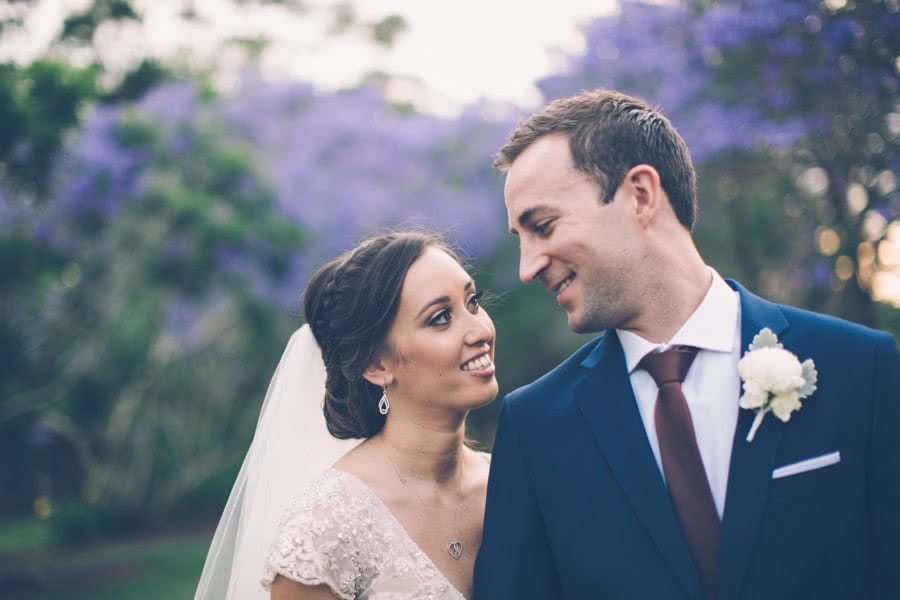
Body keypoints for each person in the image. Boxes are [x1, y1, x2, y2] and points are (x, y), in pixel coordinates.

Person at [473, 90, 900, 599]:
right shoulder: (535, 428)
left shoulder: (861, 370)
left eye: (542, 227)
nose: (527, 267)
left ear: (640, 195)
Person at [195, 232, 497, 600]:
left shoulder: (507, 481)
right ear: (376, 365)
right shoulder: (328, 528)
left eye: (473, 302)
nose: (481, 330)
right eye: (441, 318)